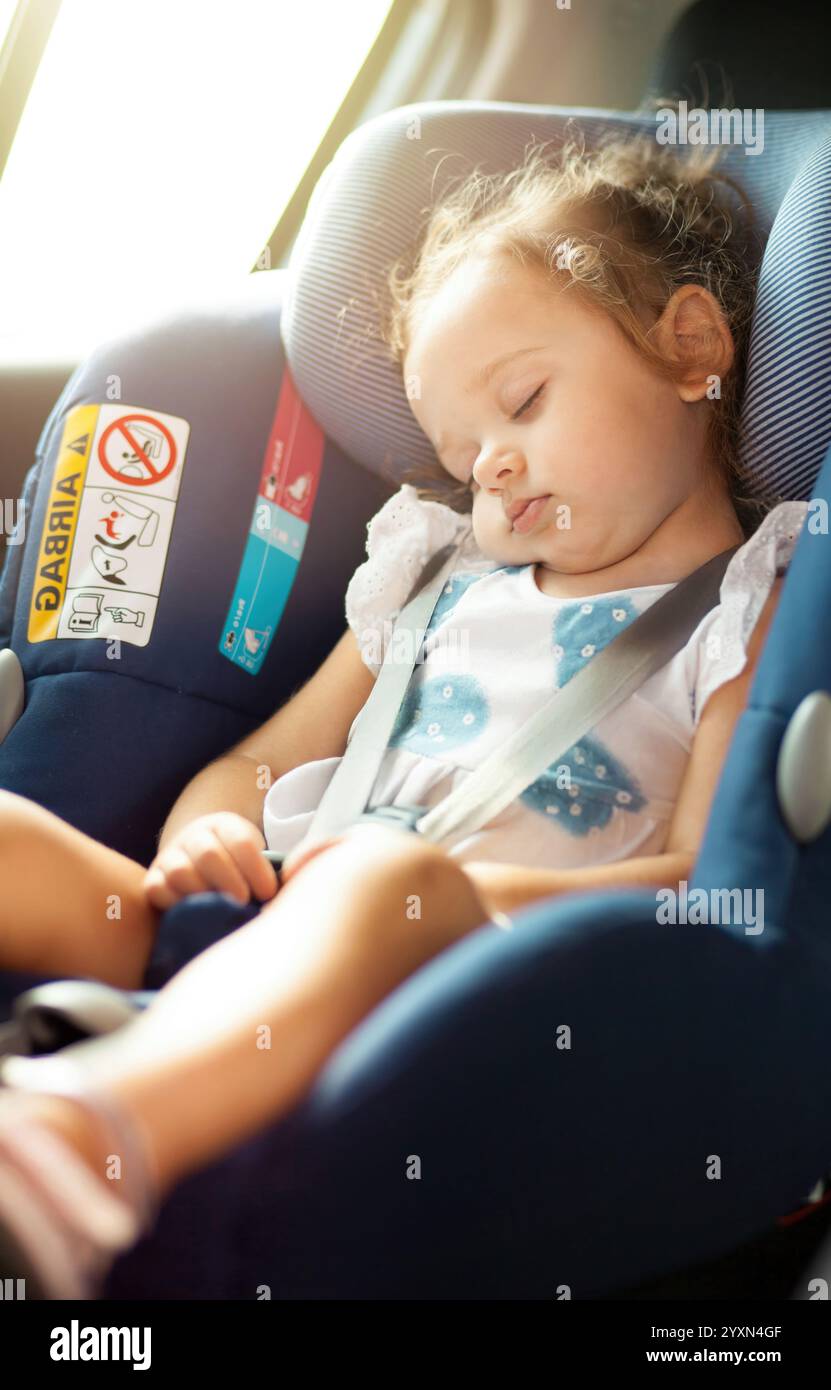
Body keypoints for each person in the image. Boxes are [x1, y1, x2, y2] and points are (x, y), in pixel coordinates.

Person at [0, 130, 805, 1298]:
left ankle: (78, 1146)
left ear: (691, 348)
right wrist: (205, 839)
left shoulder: (749, 602)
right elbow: (253, 766)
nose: (494, 473)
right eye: (461, 456)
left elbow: (708, 881)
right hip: (262, 923)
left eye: (523, 402)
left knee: (382, 874)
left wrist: (438, 896)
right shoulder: (432, 580)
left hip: (461, 980)